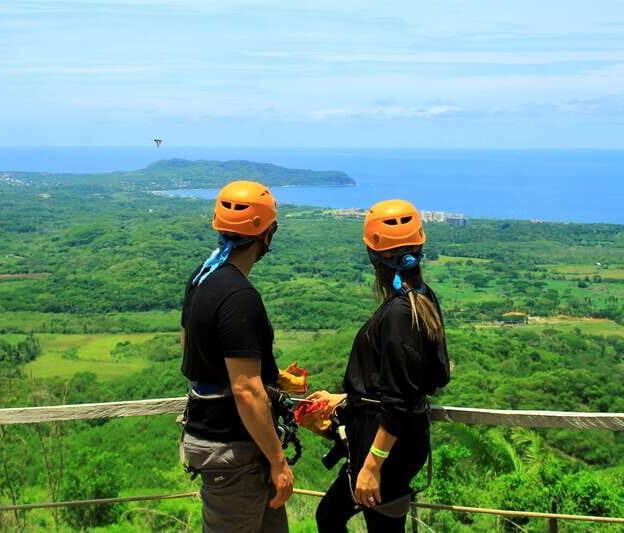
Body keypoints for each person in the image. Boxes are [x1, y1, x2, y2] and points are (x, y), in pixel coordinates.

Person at [308, 199, 450, 533]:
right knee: (331, 516)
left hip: (385, 449)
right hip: (393, 443)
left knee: (335, 519)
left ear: (374, 257)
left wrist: (372, 466)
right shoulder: (420, 298)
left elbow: (399, 399)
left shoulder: (401, 313)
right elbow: (402, 381)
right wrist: (345, 399)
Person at [180, 180, 293, 533]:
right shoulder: (238, 296)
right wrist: (278, 461)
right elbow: (245, 389)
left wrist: (272, 381)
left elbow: (191, 348)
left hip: (222, 440)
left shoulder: (202, 278)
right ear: (266, 234)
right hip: (234, 448)